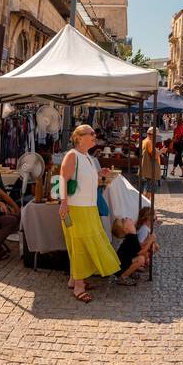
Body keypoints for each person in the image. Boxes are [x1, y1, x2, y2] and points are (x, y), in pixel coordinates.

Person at [58, 124, 121, 303]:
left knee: (87, 243)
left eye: (95, 133)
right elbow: (63, 179)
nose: (95, 135)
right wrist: (63, 203)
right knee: (79, 245)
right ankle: (79, 286)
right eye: (91, 133)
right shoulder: (72, 155)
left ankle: (74, 280)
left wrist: (100, 173)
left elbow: (85, 179)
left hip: (89, 208)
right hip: (75, 209)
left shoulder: (87, 157)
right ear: (79, 137)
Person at [139, 127, 158, 201]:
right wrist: (161, 151)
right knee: (149, 189)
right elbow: (154, 156)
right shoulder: (149, 142)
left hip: (145, 168)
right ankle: (146, 204)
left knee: (146, 188)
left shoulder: (144, 141)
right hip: (150, 169)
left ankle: (145, 204)